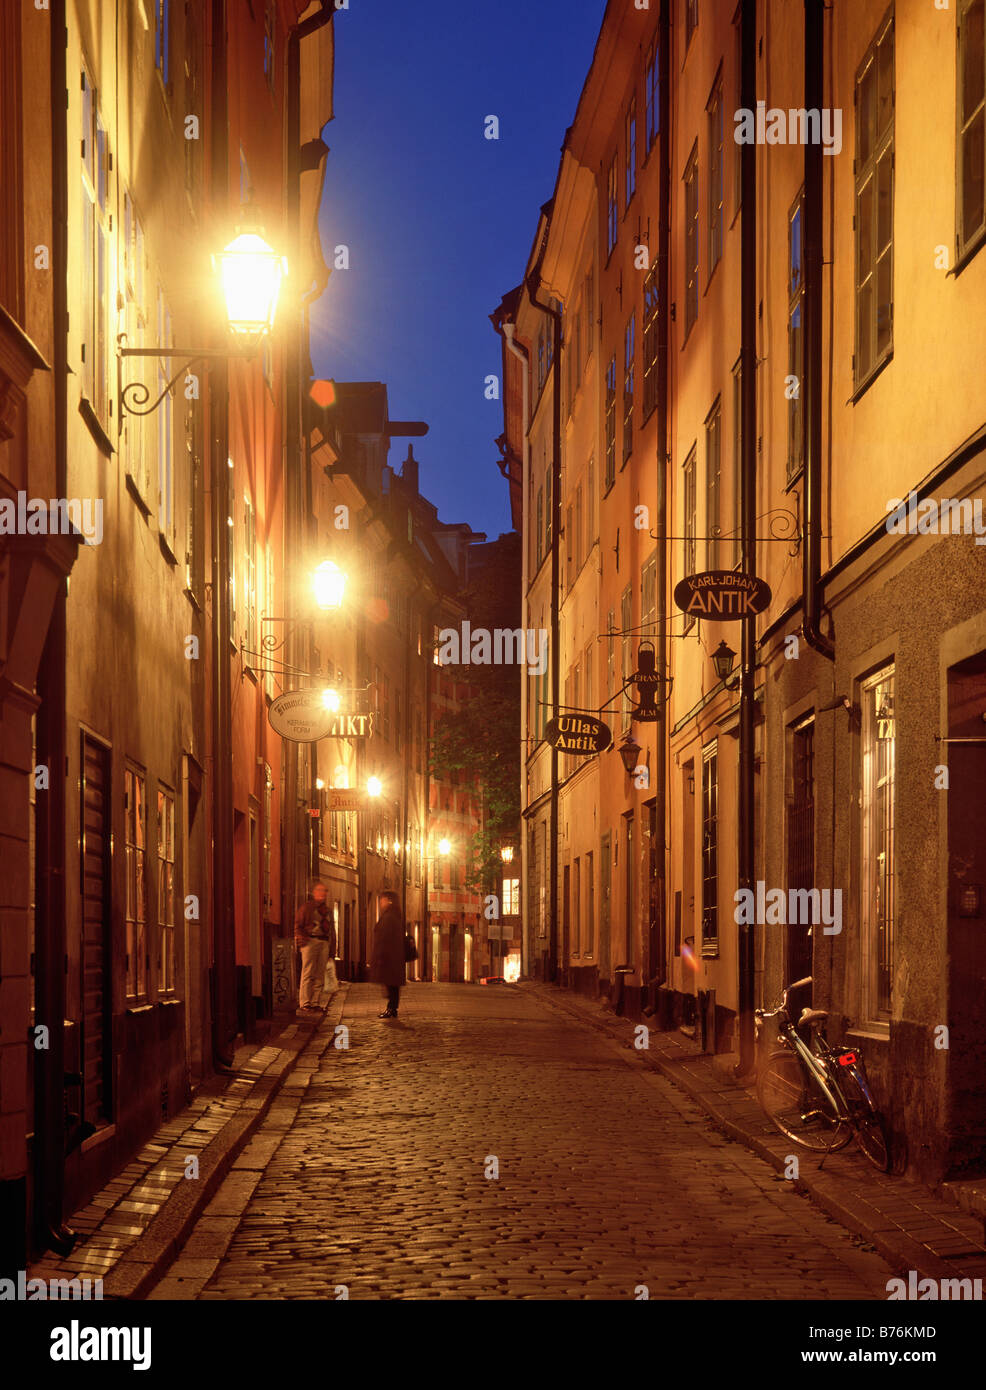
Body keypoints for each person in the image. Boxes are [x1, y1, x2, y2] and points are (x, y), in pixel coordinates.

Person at [294, 879, 336, 1014]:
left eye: (325, 891)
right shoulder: (306, 908)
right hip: (310, 942)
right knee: (308, 972)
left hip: (324, 942)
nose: (323, 893)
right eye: (320, 890)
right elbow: (298, 925)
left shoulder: (328, 910)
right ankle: (305, 1002)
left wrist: (332, 948)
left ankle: (315, 1002)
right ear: (314, 892)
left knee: (319, 974)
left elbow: (331, 930)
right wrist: (302, 939)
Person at [370, 890, 406, 1019]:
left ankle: (391, 1008)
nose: (381, 902)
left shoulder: (389, 917)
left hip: (389, 958)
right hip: (393, 957)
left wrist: (380, 956)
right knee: (392, 985)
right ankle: (392, 1008)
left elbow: (384, 939)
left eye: (382, 900)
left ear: (388, 901)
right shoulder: (394, 916)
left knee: (391, 984)